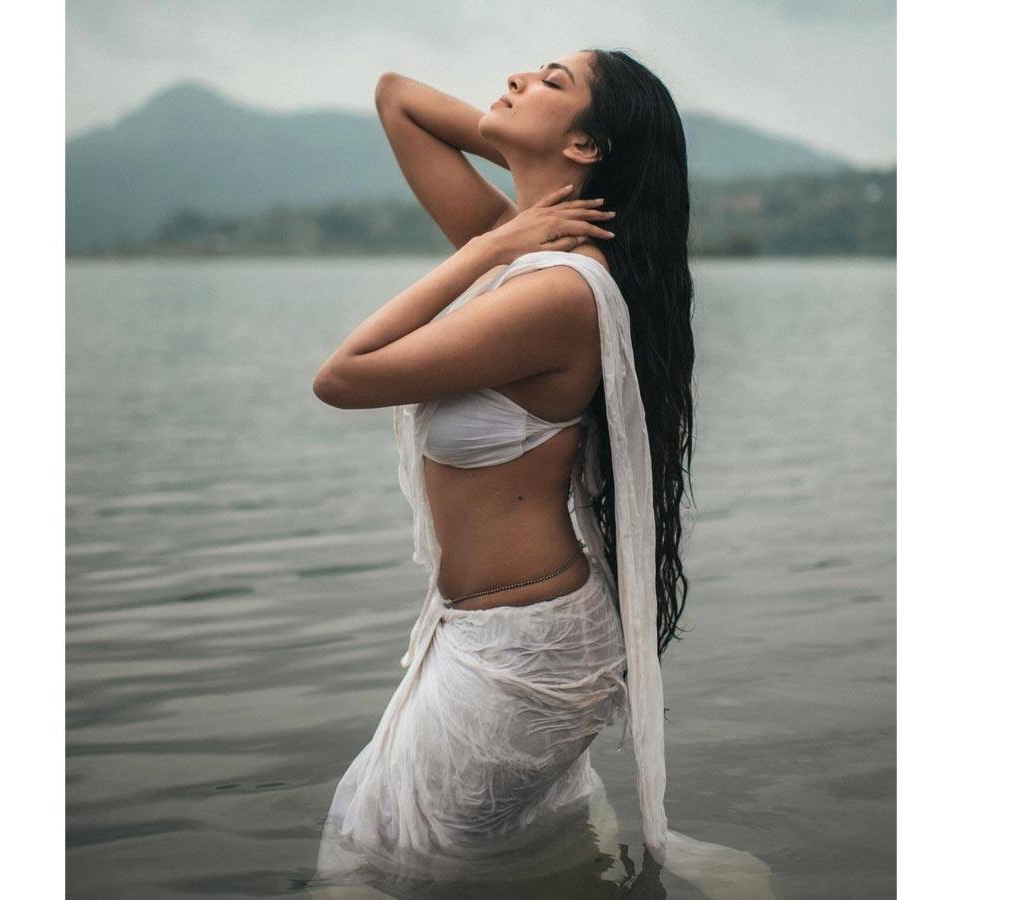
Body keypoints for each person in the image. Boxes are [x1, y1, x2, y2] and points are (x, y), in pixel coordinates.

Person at [311, 49, 774, 898]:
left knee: (394, 871)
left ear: (588, 143)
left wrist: (491, 242)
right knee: (449, 864)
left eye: (551, 82)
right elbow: (397, 98)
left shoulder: (550, 289)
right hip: (501, 630)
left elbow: (341, 378)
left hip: (523, 647)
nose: (518, 78)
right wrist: (531, 189)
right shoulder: (530, 259)